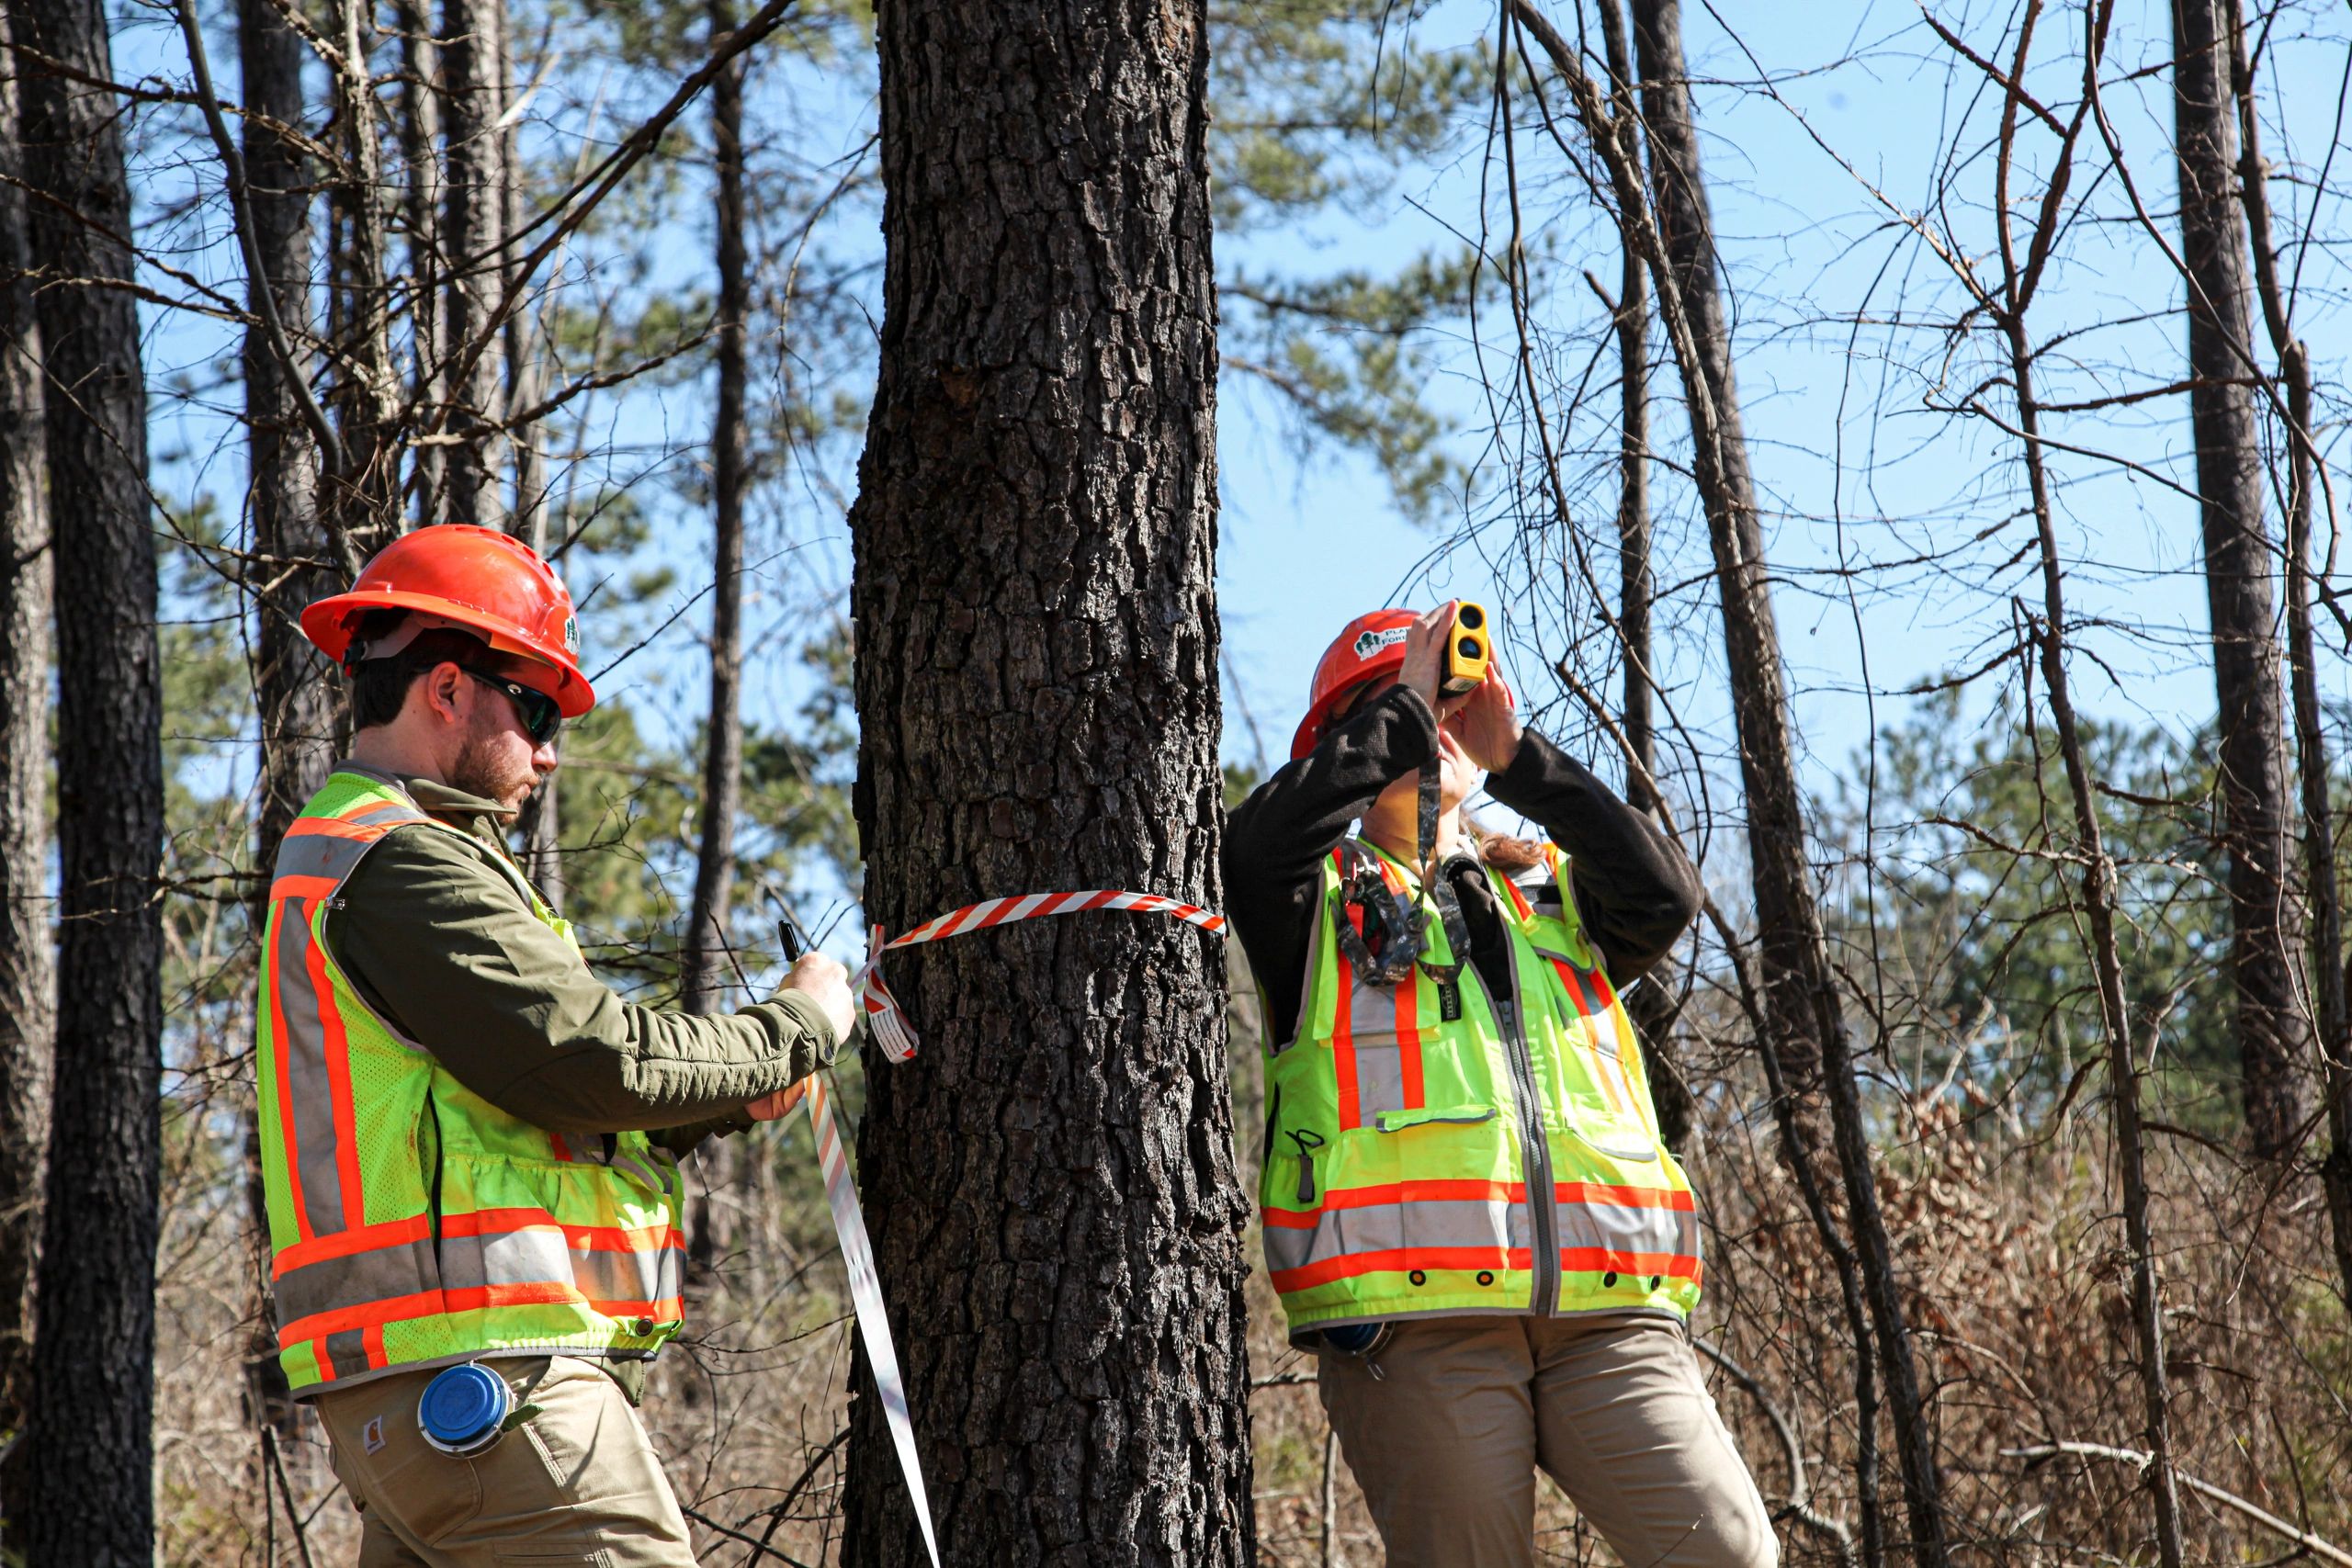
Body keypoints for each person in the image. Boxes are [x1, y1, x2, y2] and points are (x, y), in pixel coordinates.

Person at [254, 525, 856, 1567]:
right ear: (447, 691)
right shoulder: (398, 864)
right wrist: (800, 1028)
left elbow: (524, 1110)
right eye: (534, 708)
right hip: (485, 1386)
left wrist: (723, 1097)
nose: (548, 749)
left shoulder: (374, 854)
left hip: (428, 1398)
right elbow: (591, 1062)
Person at [1224, 603, 1775, 1568]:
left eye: (1447, 708)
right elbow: (1254, 848)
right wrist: (1401, 709)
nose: (1426, 728)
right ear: (1348, 743)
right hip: (1420, 1328)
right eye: (1393, 713)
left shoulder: (1556, 895)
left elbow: (1667, 894)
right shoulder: (1310, 906)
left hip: (1609, 1318)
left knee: (1732, 1555)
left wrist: (1517, 758)